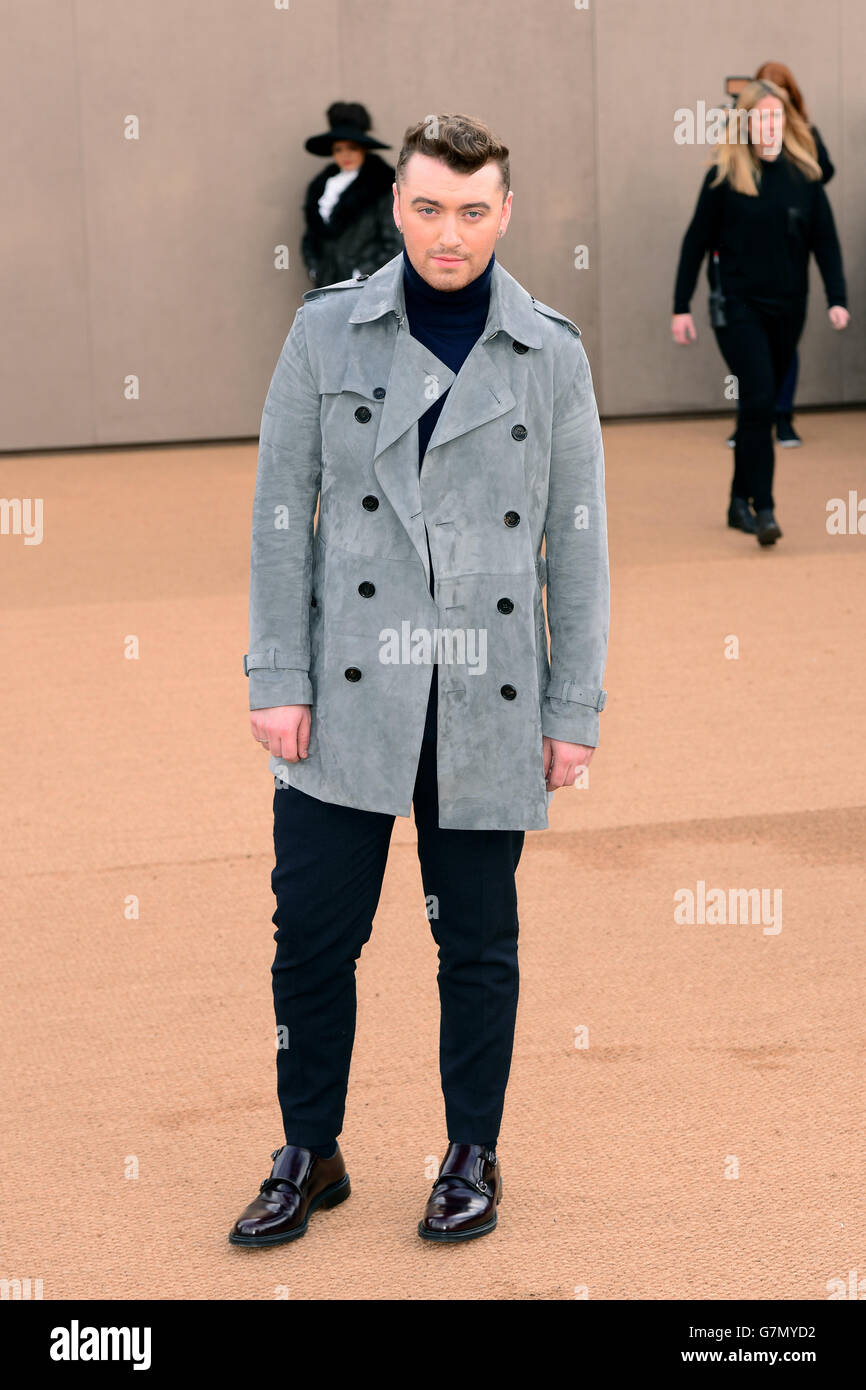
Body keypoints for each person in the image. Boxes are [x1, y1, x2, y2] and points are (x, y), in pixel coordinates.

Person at [231, 113, 609, 1246]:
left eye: (473, 210)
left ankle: (469, 1152)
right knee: (311, 933)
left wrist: (572, 705)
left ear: (506, 212)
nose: (451, 233)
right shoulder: (325, 332)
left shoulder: (551, 352)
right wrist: (277, 672)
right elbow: (278, 514)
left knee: (476, 943)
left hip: (485, 689)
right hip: (346, 686)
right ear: (398, 206)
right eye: (431, 207)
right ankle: (310, 1149)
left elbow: (577, 542)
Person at [672, 78, 849, 545]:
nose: (769, 125)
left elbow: (826, 242)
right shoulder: (725, 176)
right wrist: (680, 307)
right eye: (761, 117)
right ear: (745, 122)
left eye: (776, 116)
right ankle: (764, 508)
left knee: (758, 404)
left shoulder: (804, 177)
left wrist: (837, 298)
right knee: (759, 400)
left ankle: (737, 499)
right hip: (738, 307)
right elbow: (695, 242)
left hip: (789, 309)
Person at [717, 61, 837, 449]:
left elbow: (824, 172)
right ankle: (751, 419)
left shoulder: (803, 133)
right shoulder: (741, 135)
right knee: (750, 359)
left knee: (782, 349)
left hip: (790, 250)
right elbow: (723, 180)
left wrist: (796, 174)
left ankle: (782, 417)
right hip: (747, 266)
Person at [301, 101, 403, 287]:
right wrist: (315, 268)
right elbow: (310, 237)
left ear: (363, 149)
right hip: (326, 285)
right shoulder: (321, 187)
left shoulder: (379, 185)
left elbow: (394, 241)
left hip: (366, 286)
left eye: (352, 148)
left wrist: (362, 274)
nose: (345, 155)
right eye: (338, 149)